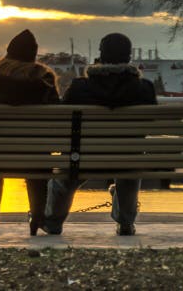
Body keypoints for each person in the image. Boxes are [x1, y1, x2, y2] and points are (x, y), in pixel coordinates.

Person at [43, 32, 156, 236]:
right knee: (130, 166)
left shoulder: (79, 88)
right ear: (129, 57)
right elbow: (151, 125)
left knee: (64, 176)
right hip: (128, 158)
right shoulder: (144, 89)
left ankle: (52, 220)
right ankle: (125, 222)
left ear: (100, 56)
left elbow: (61, 122)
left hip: (82, 158)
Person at [0, 29, 60, 236]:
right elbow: (57, 121)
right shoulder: (44, 81)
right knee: (39, 162)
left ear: (9, 52)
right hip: (36, 158)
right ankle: (37, 216)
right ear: (33, 55)